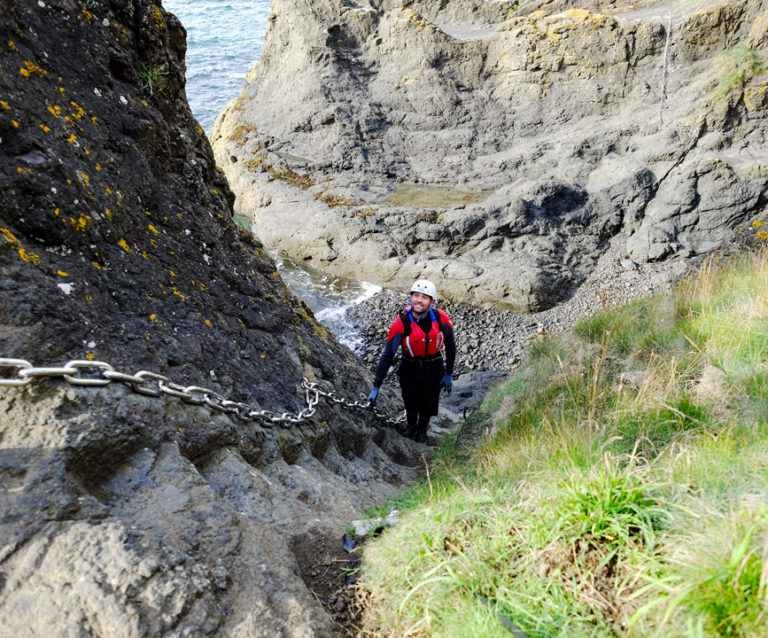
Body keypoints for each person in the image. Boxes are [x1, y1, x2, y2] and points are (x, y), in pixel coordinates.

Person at [367, 279, 456, 444]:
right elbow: (388, 355)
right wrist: (376, 386)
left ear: (431, 301)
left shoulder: (440, 317)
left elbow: (451, 345)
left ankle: (422, 430)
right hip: (410, 367)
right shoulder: (402, 322)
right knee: (410, 400)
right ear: (410, 298)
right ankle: (410, 425)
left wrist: (449, 373)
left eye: (424, 297)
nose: (419, 300)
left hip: (433, 366)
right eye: (416, 295)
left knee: (429, 401)